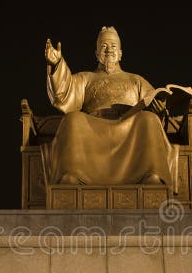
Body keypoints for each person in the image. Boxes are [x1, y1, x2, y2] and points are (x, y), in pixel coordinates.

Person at [43, 26, 182, 187]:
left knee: (148, 119)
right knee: (73, 119)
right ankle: (71, 175)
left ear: (121, 53)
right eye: (104, 46)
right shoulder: (86, 78)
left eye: (113, 46)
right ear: (96, 54)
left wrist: (158, 107)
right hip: (94, 128)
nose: (109, 50)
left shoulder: (135, 80)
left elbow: (152, 101)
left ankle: (151, 175)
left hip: (129, 128)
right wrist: (56, 63)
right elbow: (63, 93)